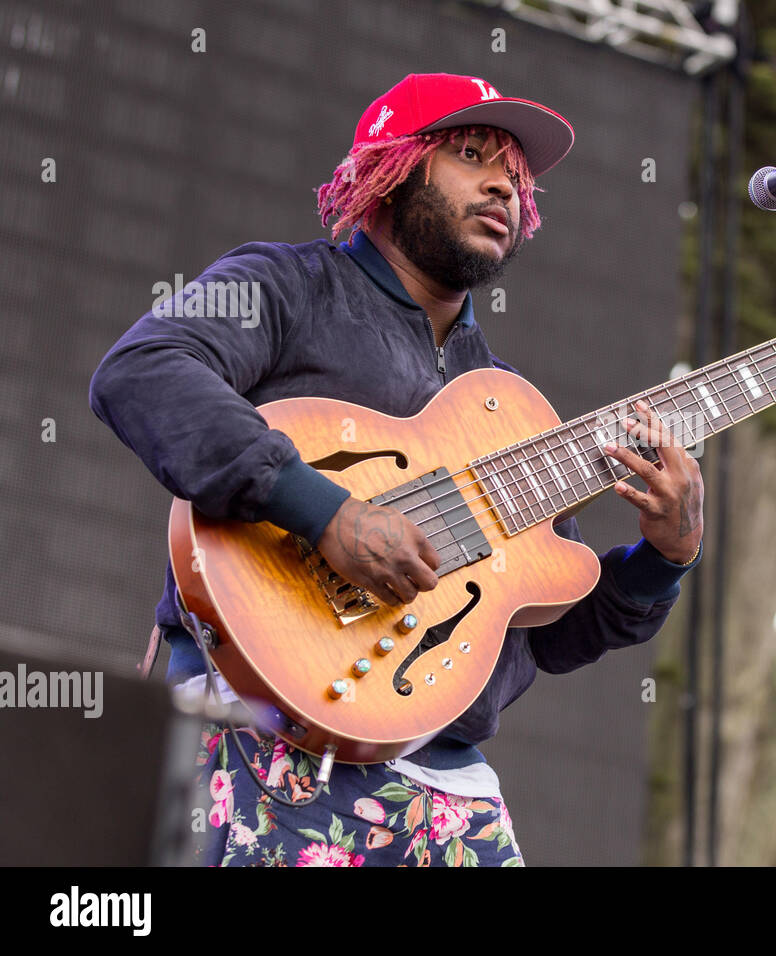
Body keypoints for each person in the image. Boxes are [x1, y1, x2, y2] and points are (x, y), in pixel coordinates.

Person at [88, 72, 704, 867]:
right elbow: (140, 370)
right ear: (392, 167)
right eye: (472, 154)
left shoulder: (510, 405)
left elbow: (544, 632)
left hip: (447, 795)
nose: (503, 186)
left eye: (516, 179)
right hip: (260, 737)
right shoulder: (284, 283)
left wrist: (666, 558)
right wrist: (327, 514)